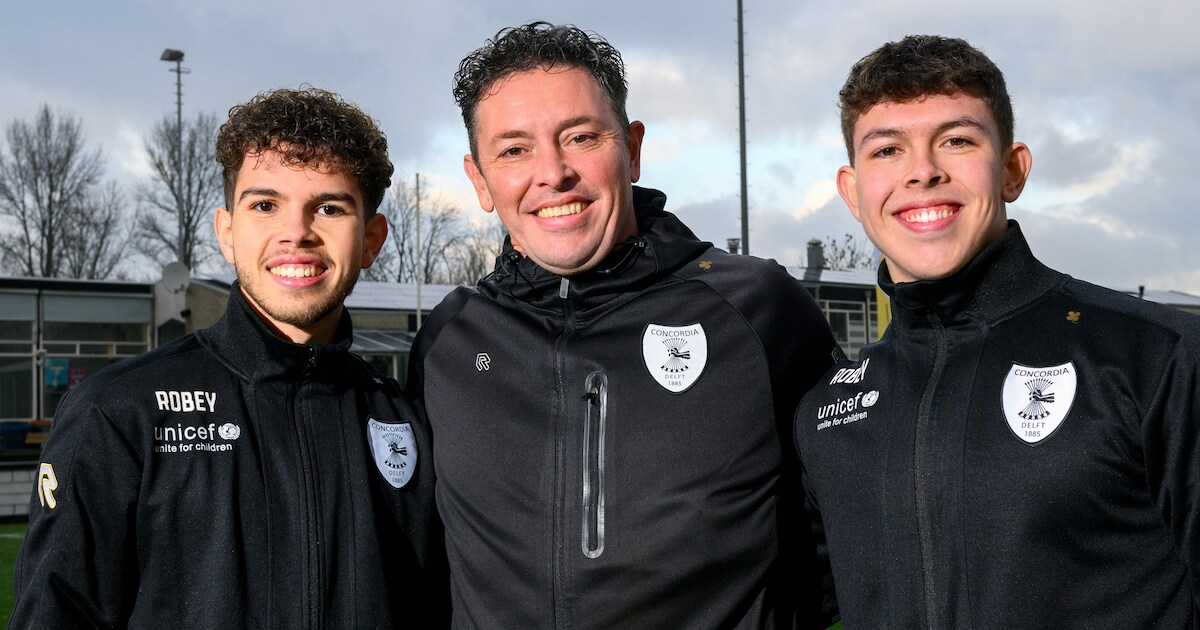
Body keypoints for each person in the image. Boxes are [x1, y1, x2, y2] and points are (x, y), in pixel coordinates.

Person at [408, 21, 839, 629]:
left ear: (632, 149)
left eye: (580, 137)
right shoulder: (449, 340)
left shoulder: (758, 310)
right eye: (513, 149)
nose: (552, 172)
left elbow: (851, 544)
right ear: (479, 179)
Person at [795, 34, 1200, 628]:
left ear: (1012, 170)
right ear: (853, 193)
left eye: (956, 141)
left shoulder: (1154, 358)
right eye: (887, 150)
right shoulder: (829, 413)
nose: (923, 172)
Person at [11, 87, 443, 628]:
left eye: (329, 207)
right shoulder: (118, 411)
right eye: (265, 205)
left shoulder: (407, 422)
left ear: (372, 238)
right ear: (227, 233)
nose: (296, 233)